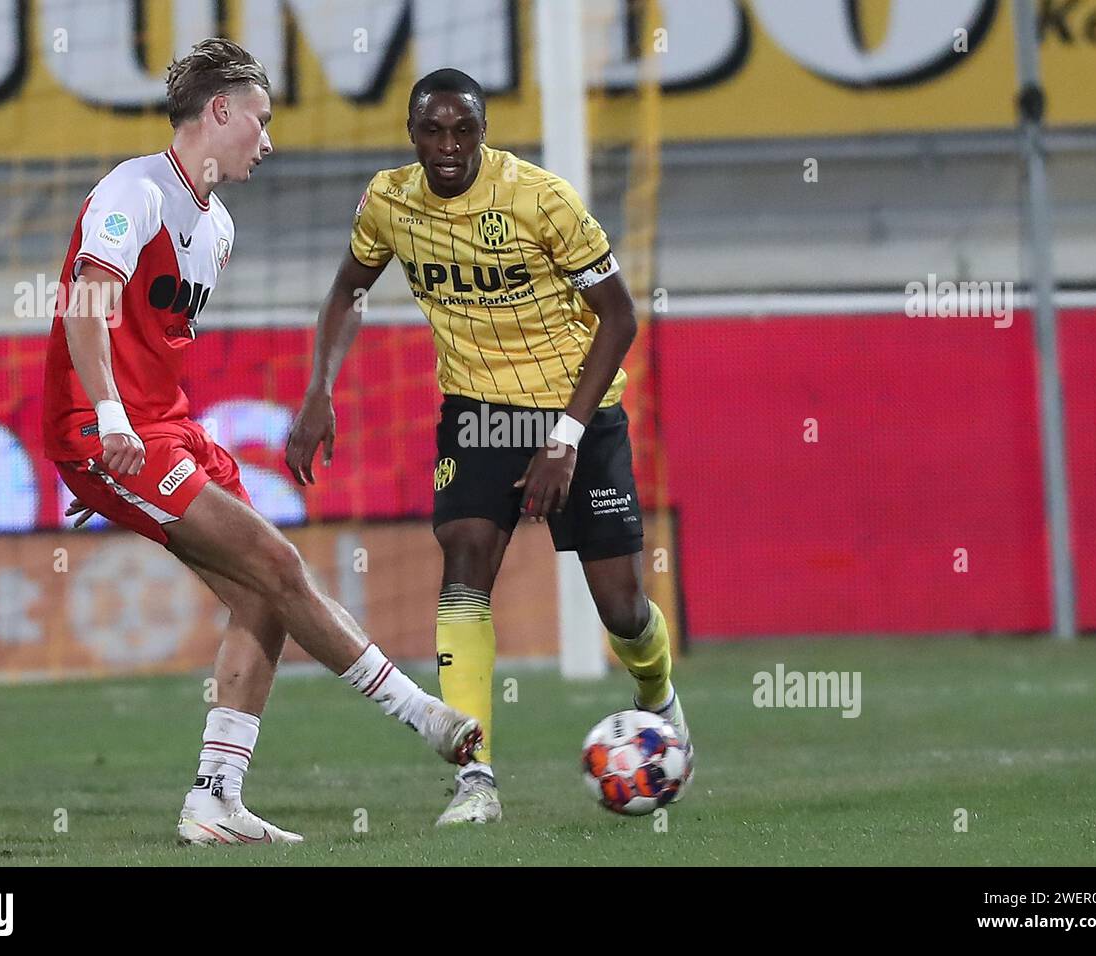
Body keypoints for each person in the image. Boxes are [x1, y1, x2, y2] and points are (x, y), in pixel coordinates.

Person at [47, 41, 482, 847]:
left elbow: (151, 342)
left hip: (160, 428)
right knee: (280, 564)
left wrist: (120, 442)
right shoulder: (132, 191)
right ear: (220, 113)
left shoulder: (215, 226)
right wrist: (105, 425)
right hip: (114, 428)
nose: (268, 140)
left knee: (261, 595)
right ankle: (419, 714)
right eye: (261, 119)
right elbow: (85, 307)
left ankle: (215, 799)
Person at [287, 68, 689, 826]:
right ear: (412, 134)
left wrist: (565, 440)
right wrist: (320, 388)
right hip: (477, 413)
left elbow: (621, 317)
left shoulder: (542, 200)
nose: (447, 146)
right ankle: (476, 779)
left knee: (623, 609)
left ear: (482, 132)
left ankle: (655, 694)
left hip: (578, 410)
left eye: (462, 130)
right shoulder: (389, 200)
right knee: (465, 554)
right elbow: (349, 290)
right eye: (433, 131)